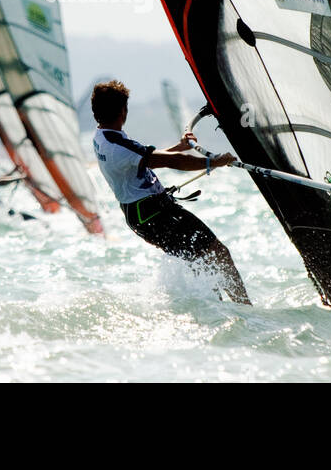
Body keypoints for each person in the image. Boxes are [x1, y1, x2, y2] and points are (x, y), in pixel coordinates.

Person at [90, 80, 250, 305]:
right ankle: (246, 310)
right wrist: (214, 162)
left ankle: (216, 311)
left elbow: (146, 157)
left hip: (140, 216)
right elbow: (170, 161)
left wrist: (179, 145)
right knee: (218, 253)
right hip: (154, 214)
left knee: (200, 262)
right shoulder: (119, 146)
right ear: (123, 111)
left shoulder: (102, 137)